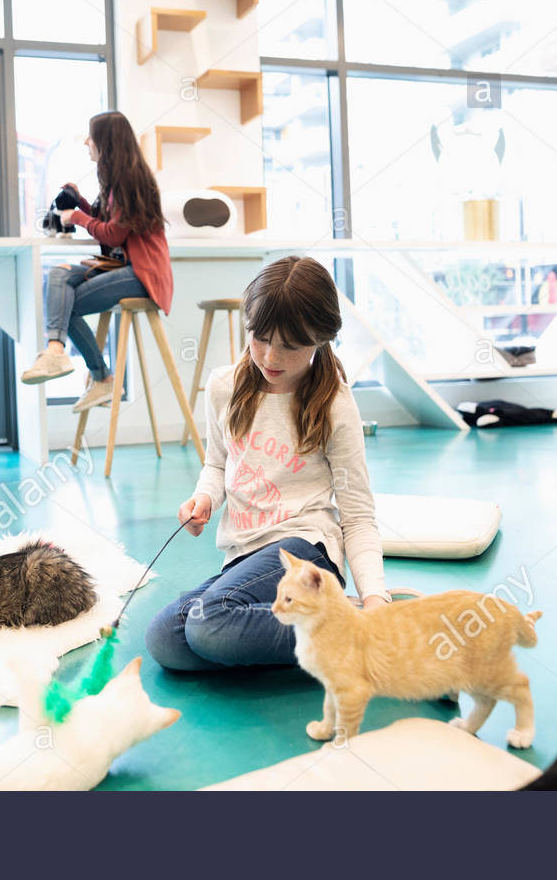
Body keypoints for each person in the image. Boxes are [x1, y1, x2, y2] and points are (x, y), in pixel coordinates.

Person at [144, 256, 389, 671]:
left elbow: (358, 515)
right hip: (245, 554)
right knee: (166, 639)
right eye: (260, 338)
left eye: (290, 346)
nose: (270, 356)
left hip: (305, 547)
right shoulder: (225, 387)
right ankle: (339, 627)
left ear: (321, 338)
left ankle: (369, 629)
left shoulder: (334, 404)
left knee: (209, 626)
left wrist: (377, 599)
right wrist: (204, 497)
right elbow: (218, 465)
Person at [18, 110, 172, 413]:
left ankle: (98, 376)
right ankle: (57, 351)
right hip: (123, 267)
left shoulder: (131, 180)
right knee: (59, 277)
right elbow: (111, 223)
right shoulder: (118, 182)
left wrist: (76, 216)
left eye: (92, 136)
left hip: (143, 274)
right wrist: (81, 202)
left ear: (106, 142)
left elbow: (114, 235)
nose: (87, 142)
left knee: (66, 304)